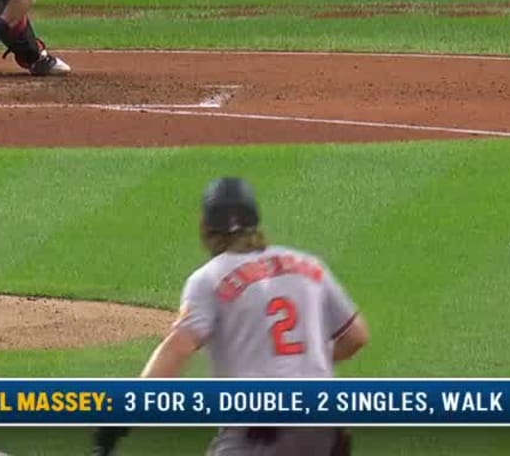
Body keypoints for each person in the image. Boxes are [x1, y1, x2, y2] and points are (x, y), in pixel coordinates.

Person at [91, 178, 369, 456]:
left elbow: (176, 350)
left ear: (206, 227)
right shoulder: (309, 265)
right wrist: (300, 363)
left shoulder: (208, 279)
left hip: (259, 434)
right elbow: (357, 336)